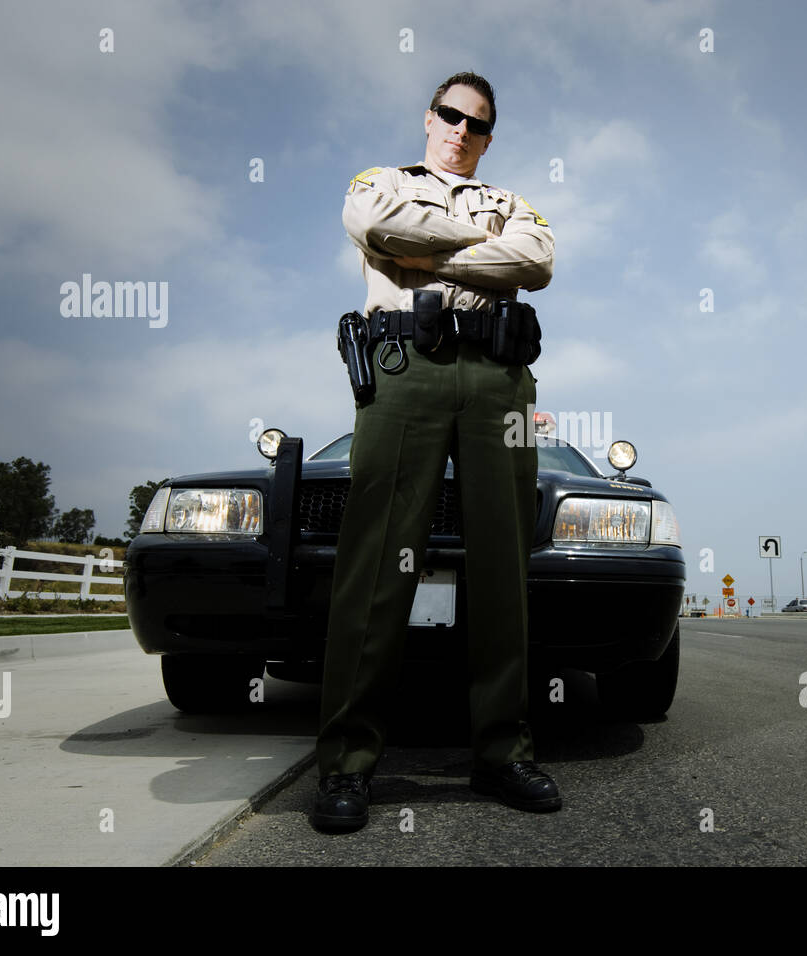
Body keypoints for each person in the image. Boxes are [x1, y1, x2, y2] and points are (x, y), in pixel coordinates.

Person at [313, 72, 559, 833]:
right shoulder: (379, 181)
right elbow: (376, 227)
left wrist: (430, 252)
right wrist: (482, 249)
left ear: (488, 137)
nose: (460, 129)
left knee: (501, 568)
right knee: (376, 562)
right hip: (403, 372)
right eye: (449, 115)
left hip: (497, 379)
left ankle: (501, 752)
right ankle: (349, 764)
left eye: (476, 123)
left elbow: (537, 261)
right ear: (428, 119)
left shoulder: (516, 204)